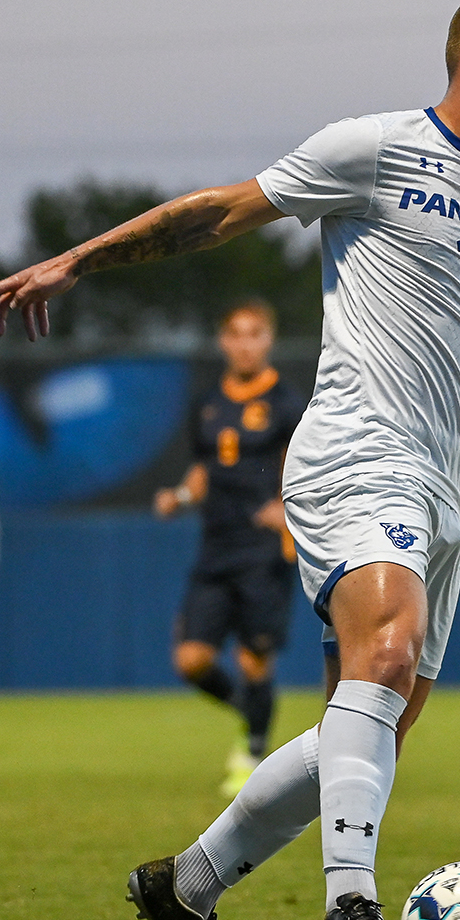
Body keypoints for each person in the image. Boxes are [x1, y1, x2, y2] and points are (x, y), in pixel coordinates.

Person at [0, 0, 460, 920]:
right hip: (355, 451)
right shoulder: (375, 148)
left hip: (439, 484)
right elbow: (218, 213)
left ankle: (188, 887)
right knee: (382, 664)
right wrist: (73, 265)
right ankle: (352, 904)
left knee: (371, 718)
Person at [154, 298, 306, 797]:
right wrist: (178, 496)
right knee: (192, 660)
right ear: (224, 341)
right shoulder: (208, 403)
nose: (245, 343)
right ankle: (249, 710)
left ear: (269, 340)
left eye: (255, 333)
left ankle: (252, 749)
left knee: (253, 659)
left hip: (263, 550)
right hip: (215, 549)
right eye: (236, 334)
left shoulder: (285, 403)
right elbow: (204, 470)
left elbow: (303, 468)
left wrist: (290, 506)